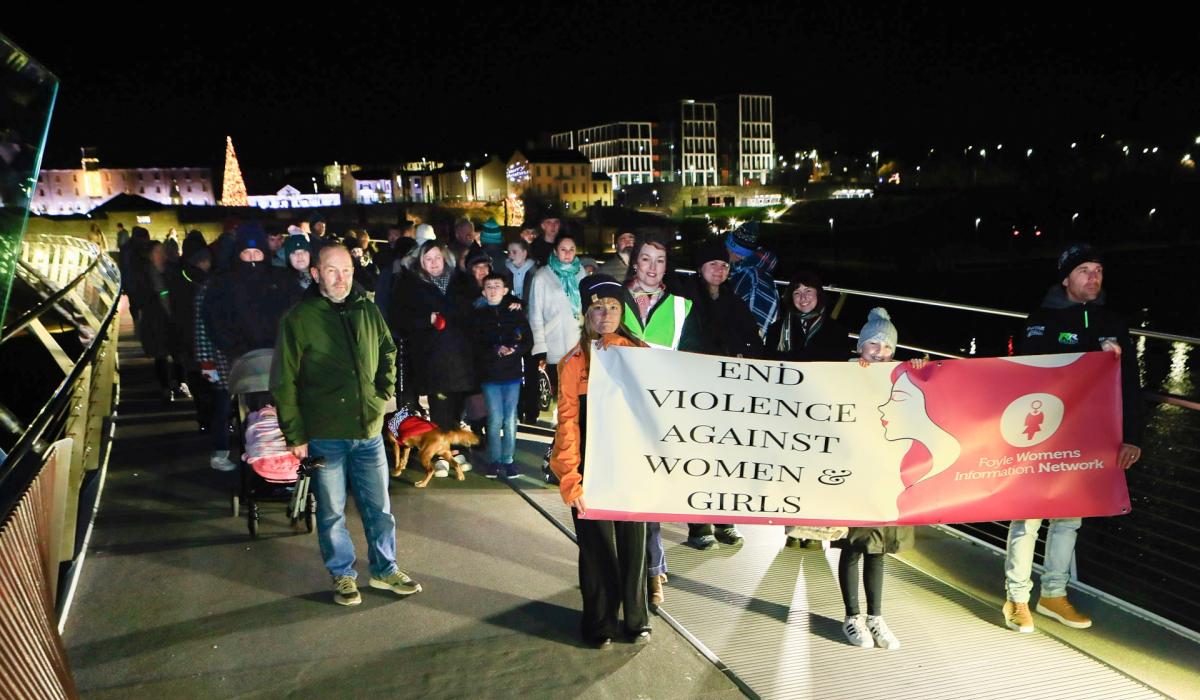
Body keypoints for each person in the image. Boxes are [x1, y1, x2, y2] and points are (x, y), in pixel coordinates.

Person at [1002, 243, 1143, 634]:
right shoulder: (1040, 317)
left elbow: (1129, 383)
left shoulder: (1113, 322)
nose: (1093, 278)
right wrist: (1092, 353)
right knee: (1027, 518)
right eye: (1084, 271)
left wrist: (1131, 436)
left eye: (1098, 270)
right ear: (1066, 278)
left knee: (1068, 519)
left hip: (1087, 438)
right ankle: (1016, 597)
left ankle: (1053, 594)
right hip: (1040, 436)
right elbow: (1034, 363)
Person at [273, 243, 421, 606]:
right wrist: (295, 434)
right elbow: (284, 380)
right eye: (332, 271)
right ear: (315, 273)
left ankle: (386, 569)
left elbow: (389, 350)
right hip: (324, 435)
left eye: (347, 271)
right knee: (331, 510)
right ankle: (342, 574)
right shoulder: (299, 318)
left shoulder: (367, 309)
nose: (341, 279)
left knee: (380, 509)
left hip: (368, 432)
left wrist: (381, 394)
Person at [550, 274, 651, 647]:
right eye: (597, 308)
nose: (605, 314)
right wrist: (570, 479)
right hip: (590, 465)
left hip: (630, 467)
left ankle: (637, 619)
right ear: (586, 314)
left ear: (622, 310)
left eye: (612, 307)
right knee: (595, 550)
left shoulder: (640, 353)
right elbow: (567, 424)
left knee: (634, 546)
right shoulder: (573, 362)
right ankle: (599, 622)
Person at [834, 307, 922, 650]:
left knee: (878, 548)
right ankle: (852, 616)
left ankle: (876, 616)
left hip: (888, 473)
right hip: (856, 471)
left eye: (886, 347)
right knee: (853, 544)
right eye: (872, 344)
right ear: (860, 347)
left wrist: (920, 373)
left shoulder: (900, 376)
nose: (879, 352)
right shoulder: (847, 374)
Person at [620, 233, 700, 598]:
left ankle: (652, 568)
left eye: (660, 260)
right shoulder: (613, 301)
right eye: (646, 259)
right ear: (634, 262)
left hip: (660, 412)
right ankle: (637, 566)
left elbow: (690, 362)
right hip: (620, 410)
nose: (653, 268)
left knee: (651, 490)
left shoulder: (682, 307)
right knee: (623, 492)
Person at [680, 240, 763, 548]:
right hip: (694, 390)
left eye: (724, 265)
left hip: (728, 393)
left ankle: (725, 521)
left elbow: (750, 338)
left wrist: (745, 354)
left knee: (726, 457)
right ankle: (698, 526)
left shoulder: (734, 301)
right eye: (713, 264)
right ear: (701, 268)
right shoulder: (685, 297)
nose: (719, 270)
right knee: (698, 457)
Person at [766, 269, 852, 548]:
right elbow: (769, 367)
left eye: (809, 292)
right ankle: (793, 529)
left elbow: (839, 371)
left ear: (819, 296)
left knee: (817, 471)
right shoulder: (779, 328)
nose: (803, 298)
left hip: (822, 412)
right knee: (793, 470)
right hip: (789, 409)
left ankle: (814, 532)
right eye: (797, 292)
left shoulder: (836, 331)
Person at [390, 241, 476, 465]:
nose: (434, 263)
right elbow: (399, 318)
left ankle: (451, 448)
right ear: (421, 262)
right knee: (439, 406)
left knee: (456, 406)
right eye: (428, 259)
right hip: (431, 357)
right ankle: (441, 452)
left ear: (445, 258)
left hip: (460, 356)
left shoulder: (461, 281)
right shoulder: (410, 285)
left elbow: (473, 311)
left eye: (437, 257)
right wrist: (426, 320)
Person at [471, 273, 532, 479]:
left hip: (512, 374)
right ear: (483, 291)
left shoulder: (515, 313)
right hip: (490, 375)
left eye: (497, 286)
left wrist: (514, 348)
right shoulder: (478, 315)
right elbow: (475, 344)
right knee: (495, 418)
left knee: (510, 418)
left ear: (505, 290)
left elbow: (527, 340)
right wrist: (494, 349)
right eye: (488, 286)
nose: (493, 290)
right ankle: (495, 460)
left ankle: (509, 459)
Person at [528, 231, 587, 405]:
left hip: (579, 343)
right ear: (555, 251)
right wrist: (540, 347)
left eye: (571, 249)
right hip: (555, 344)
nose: (568, 253)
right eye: (563, 249)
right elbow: (535, 313)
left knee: (580, 395)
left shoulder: (580, 272)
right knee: (562, 396)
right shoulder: (542, 276)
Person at [132, 240, 187, 402]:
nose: (161, 254)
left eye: (162, 251)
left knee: (178, 353)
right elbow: (139, 297)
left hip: (172, 318)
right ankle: (165, 386)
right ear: (150, 255)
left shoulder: (172, 270)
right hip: (155, 320)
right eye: (157, 252)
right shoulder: (144, 274)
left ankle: (181, 383)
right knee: (160, 354)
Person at [725, 222, 780, 337]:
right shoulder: (741, 273)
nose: (724, 249)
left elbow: (755, 333)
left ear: (738, 254)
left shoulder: (751, 278)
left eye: (727, 247)